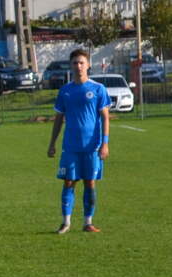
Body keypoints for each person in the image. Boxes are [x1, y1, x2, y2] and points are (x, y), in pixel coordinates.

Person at [47, 48, 109, 234]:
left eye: (82, 62)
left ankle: (88, 222)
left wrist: (105, 143)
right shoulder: (65, 91)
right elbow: (58, 119)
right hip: (71, 146)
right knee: (68, 182)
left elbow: (105, 117)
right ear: (71, 66)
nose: (78, 66)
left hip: (92, 147)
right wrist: (52, 143)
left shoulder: (98, 89)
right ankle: (66, 222)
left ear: (88, 65)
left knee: (90, 183)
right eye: (75, 63)